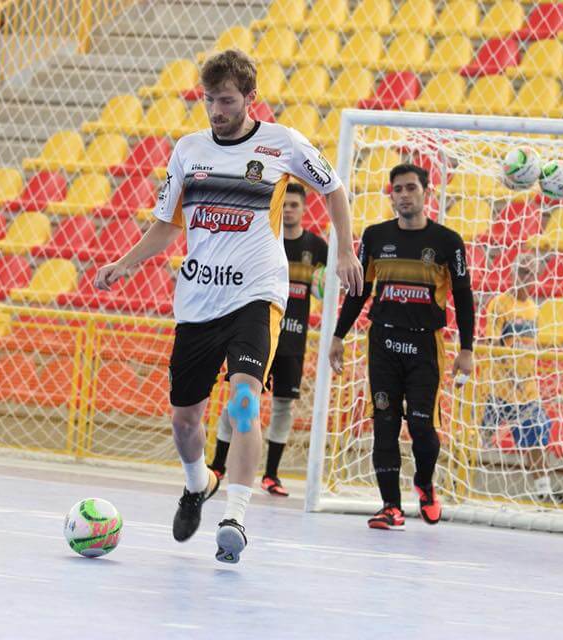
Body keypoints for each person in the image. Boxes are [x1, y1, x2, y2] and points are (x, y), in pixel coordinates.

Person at [95, 49, 362, 563]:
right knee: (184, 420)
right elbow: (168, 223)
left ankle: (236, 517)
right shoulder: (188, 151)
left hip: (256, 294)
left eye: (226, 101)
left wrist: (345, 248)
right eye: (209, 100)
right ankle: (199, 483)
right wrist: (125, 263)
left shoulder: (282, 143)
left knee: (244, 399)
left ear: (250, 99)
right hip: (198, 299)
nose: (216, 111)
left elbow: (333, 188)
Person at [329, 163, 475, 531]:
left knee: (423, 428)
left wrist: (467, 348)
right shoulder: (375, 236)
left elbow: (463, 296)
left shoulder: (447, 242)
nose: (404, 194)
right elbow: (358, 291)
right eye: (398, 189)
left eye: (411, 187)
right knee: (385, 423)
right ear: (391, 194)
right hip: (383, 343)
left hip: (426, 344)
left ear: (427, 192)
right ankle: (390, 506)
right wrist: (337, 336)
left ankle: (424, 484)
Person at [207, 181, 328, 497]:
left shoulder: (317, 248)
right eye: (284, 204)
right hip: (257, 334)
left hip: (292, 339)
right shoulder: (263, 241)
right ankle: (218, 465)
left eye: (294, 205)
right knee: (241, 399)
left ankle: (271, 474)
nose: (288, 210)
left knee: (283, 405)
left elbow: (328, 287)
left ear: (304, 208)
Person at [479, 252, 561, 503]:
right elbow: (492, 342)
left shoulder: (534, 309)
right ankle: (451, 478)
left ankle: (543, 490)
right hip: (500, 387)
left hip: (526, 390)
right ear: (513, 274)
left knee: (536, 436)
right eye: (522, 272)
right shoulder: (500, 304)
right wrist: (509, 371)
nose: (526, 277)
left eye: (530, 273)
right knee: (479, 435)